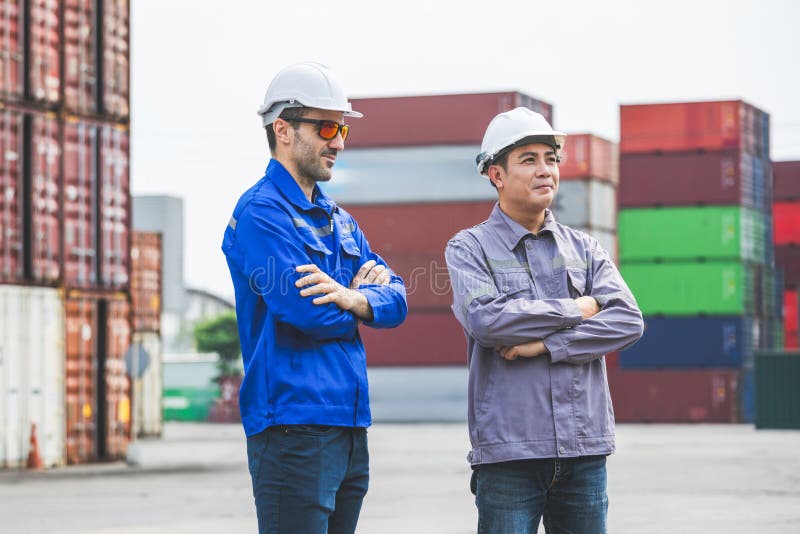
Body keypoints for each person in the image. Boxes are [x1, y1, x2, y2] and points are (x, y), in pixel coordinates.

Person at [221, 62, 408, 534]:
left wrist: (351, 298)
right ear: (282, 129)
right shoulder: (261, 213)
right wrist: (362, 300)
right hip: (291, 426)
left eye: (342, 128)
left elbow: (399, 298)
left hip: (349, 423)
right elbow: (308, 313)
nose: (339, 141)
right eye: (326, 127)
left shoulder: (339, 219)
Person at [445, 107, 644, 534]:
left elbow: (628, 319)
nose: (545, 171)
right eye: (529, 160)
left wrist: (546, 345)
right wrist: (576, 308)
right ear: (496, 174)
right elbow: (485, 320)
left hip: (584, 450)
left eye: (551, 159)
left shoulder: (585, 248)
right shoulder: (468, 248)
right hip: (510, 456)